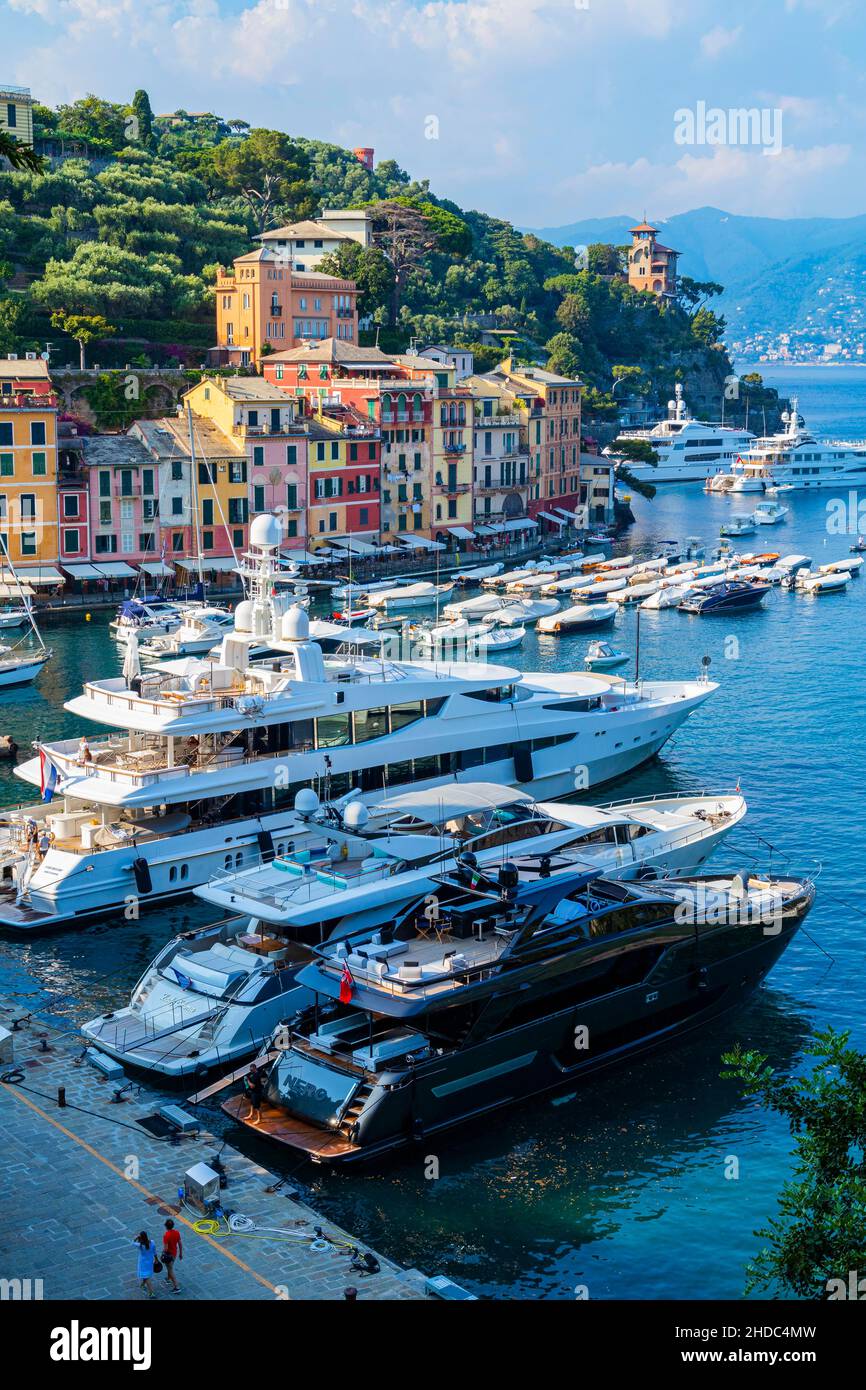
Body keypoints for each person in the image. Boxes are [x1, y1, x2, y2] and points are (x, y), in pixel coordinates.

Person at [134, 1231, 157, 1297]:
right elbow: (154, 1252)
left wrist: (136, 1238)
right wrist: (156, 1259)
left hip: (143, 1263)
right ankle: (142, 1284)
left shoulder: (140, 1245)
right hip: (150, 1261)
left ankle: (151, 1293)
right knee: (146, 1275)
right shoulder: (152, 1242)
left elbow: (132, 1243)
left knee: (146, 1277)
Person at [162, 1219, 182, 1293]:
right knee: (170, 1267)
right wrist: (180, 1253)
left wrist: (162, 1253)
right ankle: (168, 1278)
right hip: (174, 1253)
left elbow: (166, 1248)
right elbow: (180, 1243)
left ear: (166, 1226)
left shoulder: (166, 1235)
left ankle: (176, 1287)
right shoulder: (177, 1232)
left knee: (170, 1270)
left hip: (168, 1255)